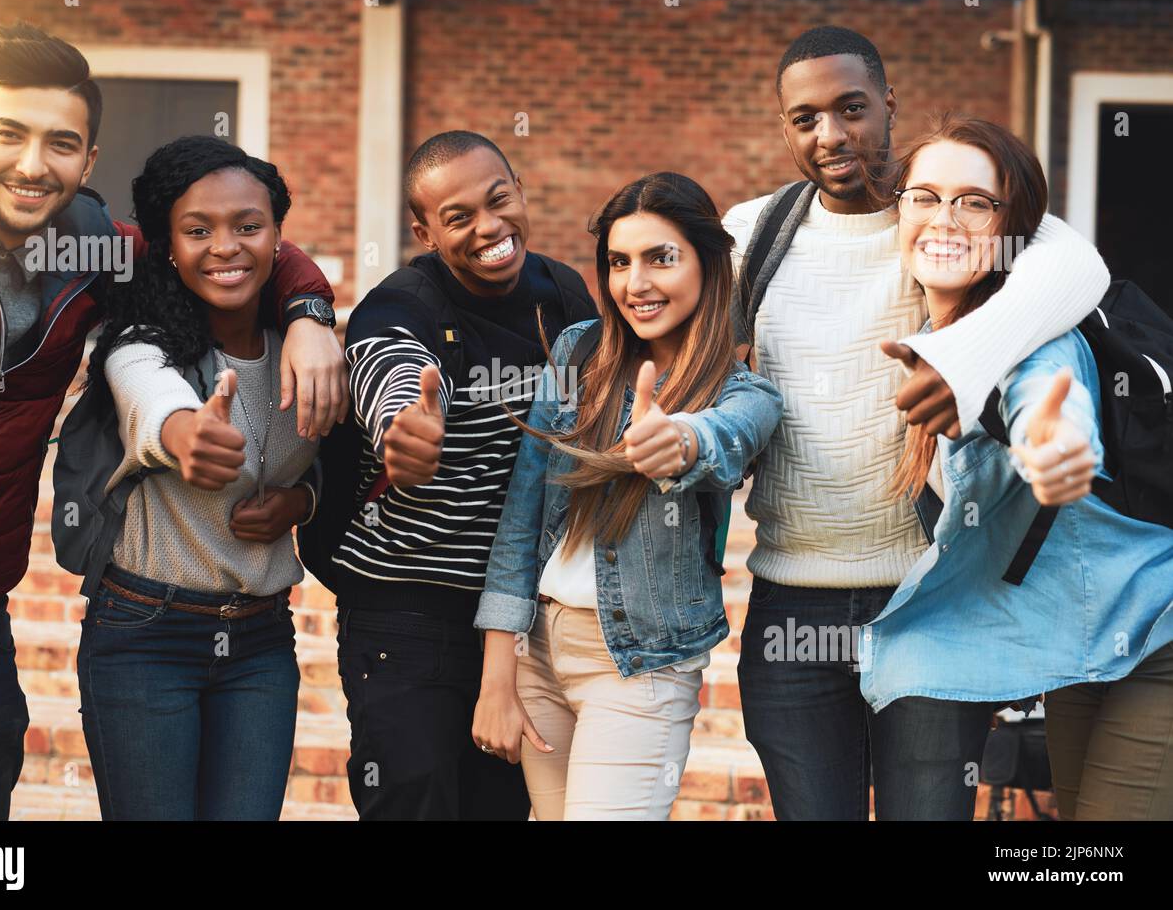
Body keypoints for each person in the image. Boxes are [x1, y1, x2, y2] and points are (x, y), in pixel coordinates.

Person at [0, 22, 343, 821]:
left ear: (88, 161)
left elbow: (218, 243)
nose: (32, 163)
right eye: (9, 134)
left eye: (61, 143)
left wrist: (305, 309)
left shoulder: (96, 250)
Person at [724, 26, 1111, 820]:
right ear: (783, 126)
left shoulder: (944, 221)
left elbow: (1081, 268)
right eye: (805, 118)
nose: (830, 135)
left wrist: (963, 364)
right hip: (792, 605)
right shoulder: (750, 236)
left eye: (851, 108)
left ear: (888, 103)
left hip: (930, 595)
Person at [857, 113, 1173, 821]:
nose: (945, 218)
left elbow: (1048, 405)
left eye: (975, 201)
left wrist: (1053, 448)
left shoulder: (1035, 335)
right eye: (925, 196)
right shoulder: (927, 330)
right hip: (1080, 649)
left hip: (1157, 633)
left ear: (1013, 228)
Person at [472, 172, 782, 819]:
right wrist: (498, 674)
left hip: (638, 664)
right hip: (538, 652)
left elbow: (724, 440)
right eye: (619, 262)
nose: (635, 283)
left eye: (660, 258)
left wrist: (679, 440)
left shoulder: (743, 390)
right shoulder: (576, 352)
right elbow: (521, 517)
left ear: (708, 262)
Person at [330, 130, 597, 819]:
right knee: (410, 798)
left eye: (498, 199)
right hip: (406, 615)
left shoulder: (563, 295)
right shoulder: (402, 304)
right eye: (457, 217)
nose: (489, 228)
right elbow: (389, 372)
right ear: (425, 230)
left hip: (519, 623)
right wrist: (403, 431)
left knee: (500, 808)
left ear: (520, 192)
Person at [74, 135, 317, 820]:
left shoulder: (307, 355)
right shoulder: (138, 346)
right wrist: (188, 435)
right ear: (169, 246)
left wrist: (302, 498)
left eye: (248, 226)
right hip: (146, 634)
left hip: (261, 644)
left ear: (277, 237)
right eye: (197, 230)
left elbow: (329, 463)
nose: (226, 246)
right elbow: (152, 403)